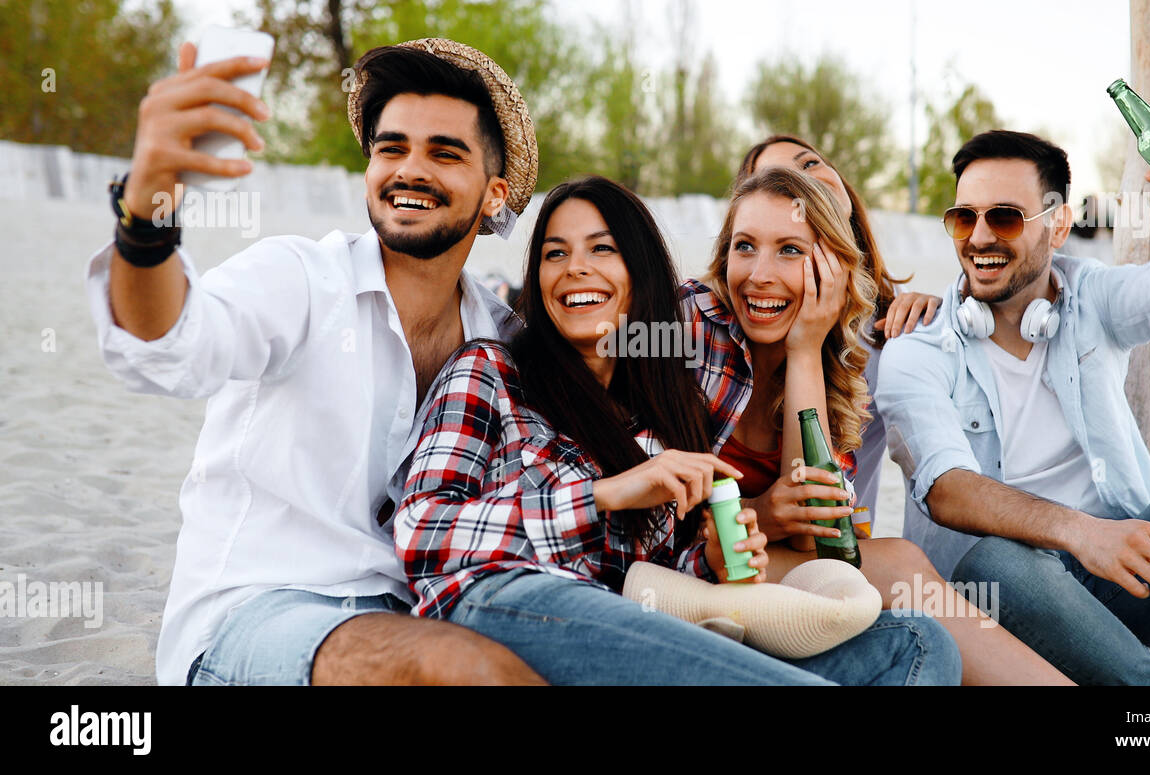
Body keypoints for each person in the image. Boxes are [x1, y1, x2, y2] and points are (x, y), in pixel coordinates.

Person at [87, 37, 547, 685]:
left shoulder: (502, 341)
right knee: (454, 666)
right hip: (257, 614)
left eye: (444, 152)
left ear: (495, 194)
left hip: (420, 610)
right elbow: (166, 344)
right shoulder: (298, 278)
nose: (409, 169)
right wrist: (146, 210)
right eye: (391, 148)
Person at [393, 176, 961, 685]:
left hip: (632, 620)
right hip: (508, 598)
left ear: (641, 275)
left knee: (914, 645)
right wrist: (606, 495)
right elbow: (419, 531)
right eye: (554, 254)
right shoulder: (492, 370)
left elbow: (649, 575)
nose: (575, 269)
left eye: (601, 249)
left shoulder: (658, 416)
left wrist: (711, 558)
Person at [874, 127, 1150, 685]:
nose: (978, 237)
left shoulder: (1091, 295)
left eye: (1003, 217)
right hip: (993, 616)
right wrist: (1081, 533)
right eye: (963, 218)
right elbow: (947, 487)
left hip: (1119, 592)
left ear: (1057, 226)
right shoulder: (918, 347)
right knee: (995, 563)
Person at [685, 166, 1071, 684]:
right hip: (681, 564)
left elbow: (813, 537)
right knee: (897, 569)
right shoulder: (695, 326)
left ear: (833, 269)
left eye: (791, 251)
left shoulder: (831, 362)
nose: (759, 274)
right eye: (744, 247)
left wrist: (802, 352)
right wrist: (761, 512)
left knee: (905, 579)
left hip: (766, 568)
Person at [734, 135, 940, 520]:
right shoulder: (734, 322)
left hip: (842, 544)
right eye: (779, 180)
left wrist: (942, 319)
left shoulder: (894, 316)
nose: (804, 182)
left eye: (810, 164)